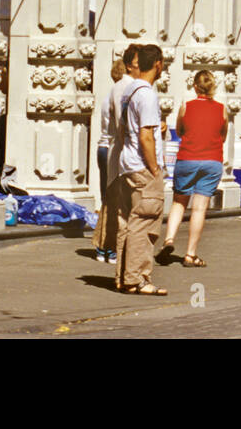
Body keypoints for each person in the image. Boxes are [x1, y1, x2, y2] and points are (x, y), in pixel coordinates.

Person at [109, 42, 167, 296]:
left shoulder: (128, 91)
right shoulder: (147, 94)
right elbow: (146, 136)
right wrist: (154, 168)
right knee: (144, 223)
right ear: (157, 64)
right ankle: (138, 278)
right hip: (142, 166)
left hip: (127, 164)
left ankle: (123, 276)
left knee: (127, 222)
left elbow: (125, 130)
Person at [159, 70, 226, 267]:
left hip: (187, 158)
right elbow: (223, 134)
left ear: (195, 86)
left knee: (179, 202)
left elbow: (180, 130)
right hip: (212, 160)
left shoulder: (185, 107)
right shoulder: (222, 109)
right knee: (199, 208)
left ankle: (169, 239)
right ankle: (190, 254)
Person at [96, 46, 139, 263]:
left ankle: (104, 246)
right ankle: (110, 247)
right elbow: (122, 125)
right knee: (117, 200)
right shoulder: (123, 89)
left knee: (109, 198)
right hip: (115, 148)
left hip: (106, 146)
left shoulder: (110, 92)